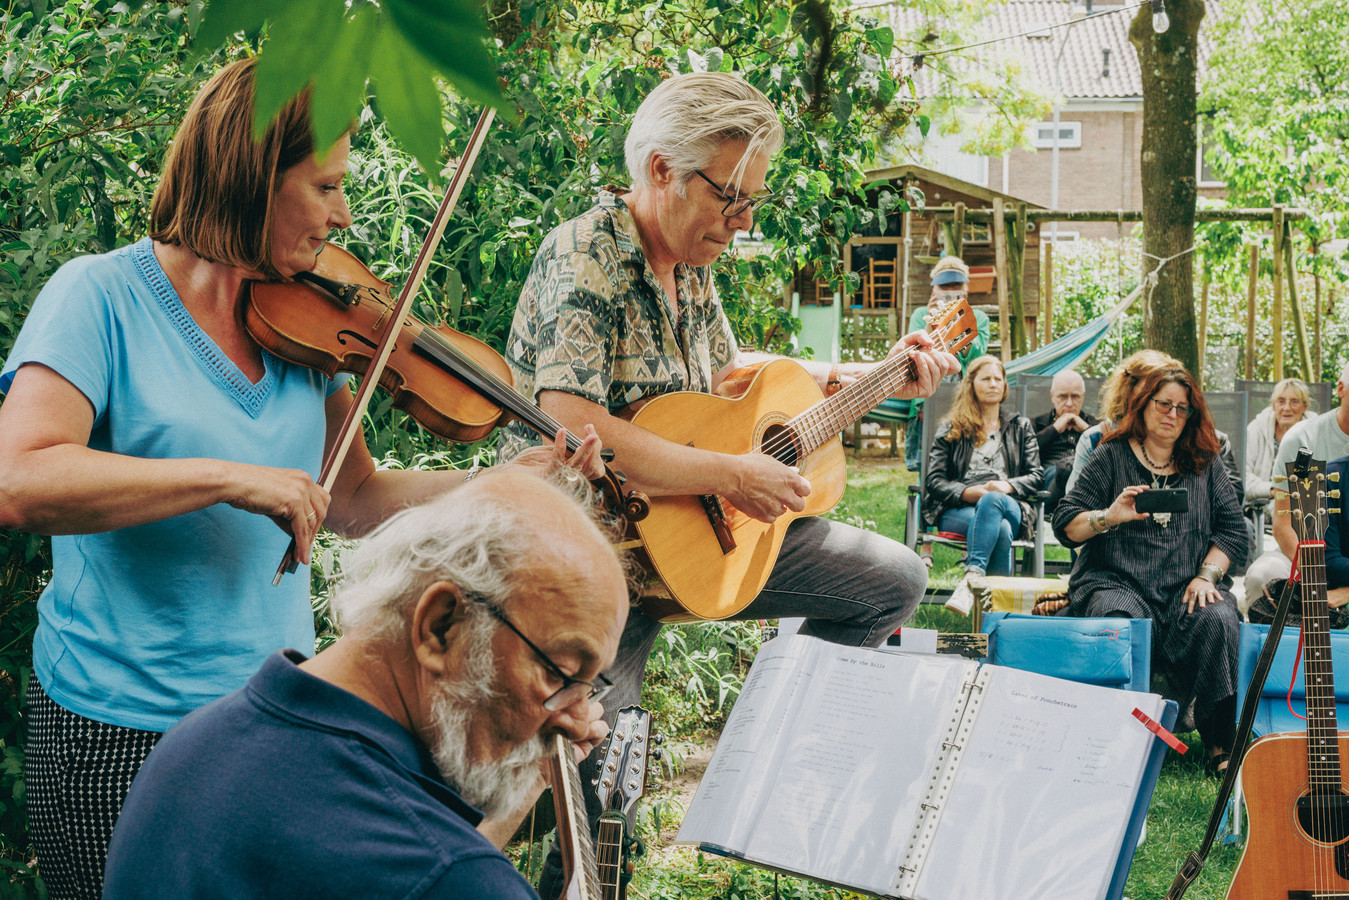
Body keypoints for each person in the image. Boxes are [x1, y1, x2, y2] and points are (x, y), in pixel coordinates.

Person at [0, 59, 600, 899]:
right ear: (251, 176)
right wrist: (228, 478)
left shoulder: (305, 330)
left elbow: (353, 499)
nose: (342, 213)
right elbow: (21, 479)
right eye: (324, 186)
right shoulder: (98, 297)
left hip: (267, 722)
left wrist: (507, 483)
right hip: (118, 723)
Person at [498, 72, 959, 896]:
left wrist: (871, 375)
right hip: (585, 566)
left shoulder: (690, 265)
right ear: (661, 170)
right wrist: (729, 474)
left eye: (753, 201)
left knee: (891, 580)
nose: (741, 222)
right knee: (586, 810)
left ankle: (773, 766)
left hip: (692, 542)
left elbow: (730, 376)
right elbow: (574, 423)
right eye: (728, 197)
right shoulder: (587, 255)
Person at [103, 469, 627, 897]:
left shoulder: (192, 747)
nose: (576, 716)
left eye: (590, 685)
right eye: (560, 672)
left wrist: (528, 776)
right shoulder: (453, 878)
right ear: (441, 626)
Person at [1053, 366, 1247, 775]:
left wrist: (1207, 575)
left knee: (1218, 616)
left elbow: (1233, 531)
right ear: (1143, 407)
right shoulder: (1111, 455)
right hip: (1116, 579)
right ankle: (1115, 737)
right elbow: (1066, 525)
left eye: (1183, 408)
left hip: (1183, 587)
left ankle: (1219, 745)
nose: (1173, 415)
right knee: (1122, 620)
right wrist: (1109, 516)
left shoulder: (1205, 463)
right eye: (1164, 405)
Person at [921, 355, 1043, 614]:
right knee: (1000, 530)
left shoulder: (1020, 427)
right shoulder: (951, 428)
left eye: (998, 379)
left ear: (1005, 386)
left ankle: (971, 579)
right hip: (960, 508)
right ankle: (996, 615)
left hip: (1009, 502)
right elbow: (934, 480)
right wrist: (966, 492)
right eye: (986, 378)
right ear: (972, 384)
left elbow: (1036, 476)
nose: (993, 384)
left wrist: (1006, 486)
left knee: (993, 500)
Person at [1245, 363, 1349, 607]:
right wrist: (1316, 575)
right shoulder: (1305, 440)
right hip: (1307, 553)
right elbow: (1283, 525)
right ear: (1341, 389)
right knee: (1262, 576)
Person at [903, 256, 991, 471]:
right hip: (929, 396)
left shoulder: (978, 317)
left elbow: (976, 356)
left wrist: (959, 320)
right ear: (935, 290)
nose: (951, 290)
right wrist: (934, 322)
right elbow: (915, 355)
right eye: (945, 286)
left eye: (956, 285)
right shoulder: (920, 315)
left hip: (965, 396)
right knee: (929, 460)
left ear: (965, 289)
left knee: (964, 457)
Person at [1031, 369, 1098, 512]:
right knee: (1066, 468)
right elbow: (1026, 453)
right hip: (1050, 482)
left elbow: (1111, 451)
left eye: (1075, 397)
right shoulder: (1036, 424)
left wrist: (1086, 430)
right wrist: (1054, 430)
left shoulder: (1096, 426)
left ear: (1083, 397)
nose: (1069, 403)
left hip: (1088, 480)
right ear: (1052, 396)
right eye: (1063, 397)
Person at [1245, 378, 1314, 514]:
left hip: (1301, 506)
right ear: (1274, 406)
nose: (1287, 408)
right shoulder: (1255, 429)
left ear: (1305, 407)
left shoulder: (1314, 433)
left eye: (1294, 402)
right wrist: (1273, 489)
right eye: (1281, 401)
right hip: (1258, 505)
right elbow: (1243, 478)